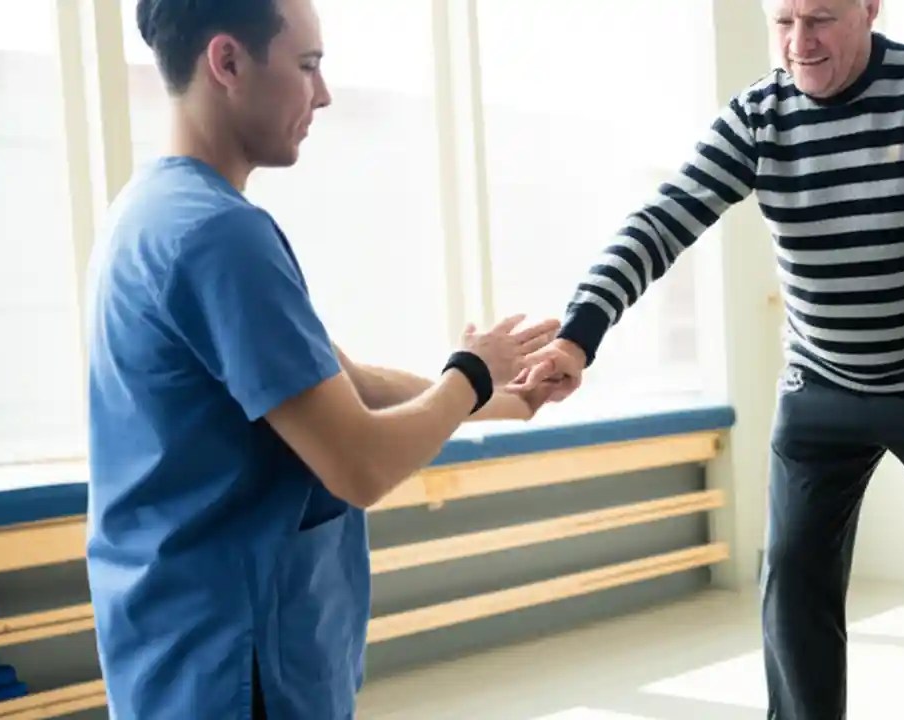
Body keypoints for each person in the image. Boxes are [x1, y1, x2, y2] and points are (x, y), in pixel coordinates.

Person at [517, 0, 904, 717]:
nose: (798, 43)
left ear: (871, 8)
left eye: (819, 18)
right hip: (823, 384)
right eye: (782, 21)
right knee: (790, 578)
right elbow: (660, 223)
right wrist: (578, 335)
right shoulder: (759, 117)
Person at [83, 0, 560, 717]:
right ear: (228, 61)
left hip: (179, 657)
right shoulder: (220, 237)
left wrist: (502, 393)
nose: (325, 94)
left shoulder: (152, 211)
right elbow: (360, 462)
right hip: (232, 671)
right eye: (307, 66)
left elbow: (350, 385)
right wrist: (469, 376)